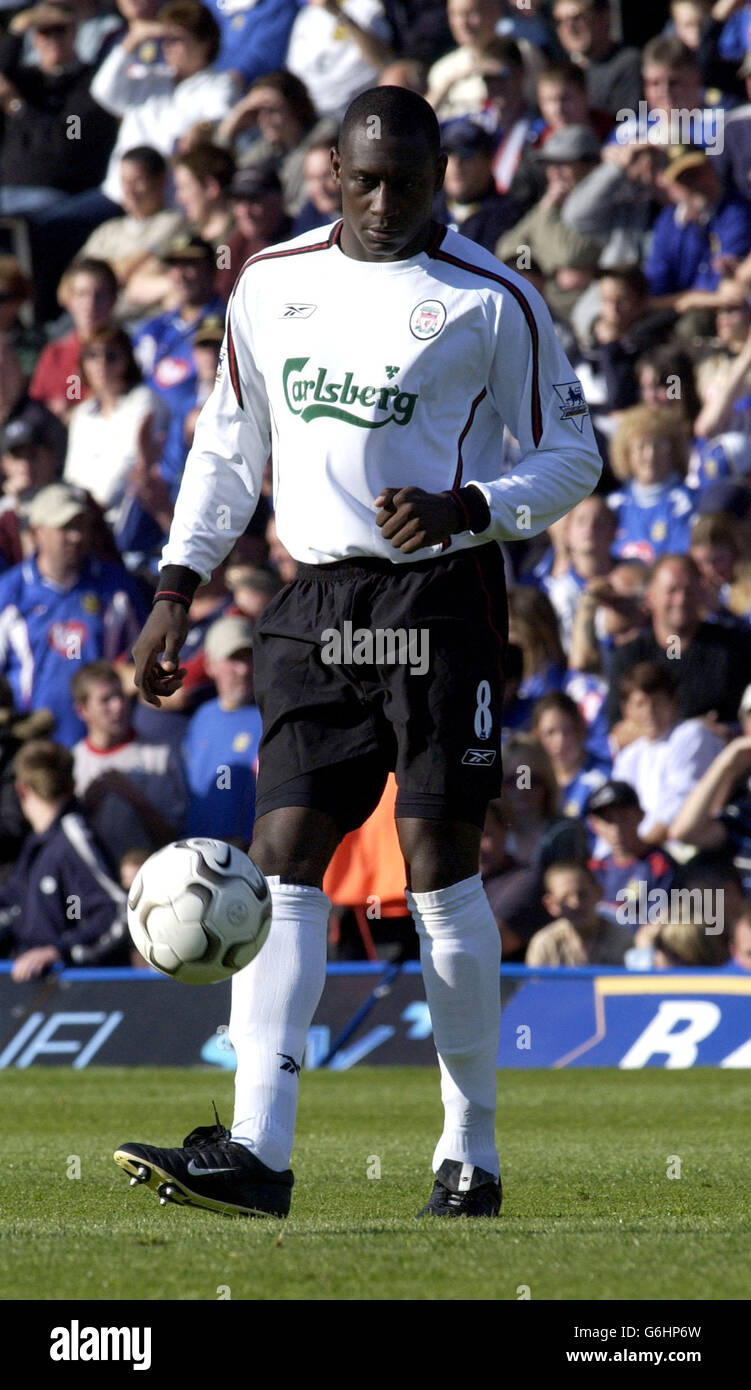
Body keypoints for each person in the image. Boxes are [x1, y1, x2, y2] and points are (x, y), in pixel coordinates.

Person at [118, 85, 601, 1221]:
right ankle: (259, 1152)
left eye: (409, 179)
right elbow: (228, 445)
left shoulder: (495, 300)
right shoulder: (271, 283)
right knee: (285, 853)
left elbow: (572, 455)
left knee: (436, 863)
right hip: (314, 600)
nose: (385, 200)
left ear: (444, 175)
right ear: (330, 171)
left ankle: (469, 1153)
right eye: (364, 177)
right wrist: (175, 585)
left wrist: (469, 504)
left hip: (442, 596)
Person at [0, 482, 147, 745]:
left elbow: (146, 656)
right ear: (37, 532)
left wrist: (129, 676)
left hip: (106, 745)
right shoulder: (10, 593)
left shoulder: (116, 586)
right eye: (65, 527)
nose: (76, 536)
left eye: (80, 526)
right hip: (32, 745)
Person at [0, 739, 128, 978]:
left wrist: (60, 951)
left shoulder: (73, 839)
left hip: (83, 994)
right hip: (39, 992)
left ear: (22, 788)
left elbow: (117, 911)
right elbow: (12, 902)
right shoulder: (36, 844)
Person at [605, 553, 751, 729]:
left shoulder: (732, 648)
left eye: (688, 591)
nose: (681, 600)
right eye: (672, 590)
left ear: (701, 593)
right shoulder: (630, 657)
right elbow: (617, 733)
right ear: (651, 597)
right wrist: (688, 730)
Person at [71, 659, 186, 864]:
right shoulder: (73, 763)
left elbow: (175, 839)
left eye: (120, 695)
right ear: (82, 711)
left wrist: (135, 799)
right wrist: (85, 807)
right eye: (106, 700)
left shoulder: (158, 756)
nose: (118, 706)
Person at [612, 661, 725, 844]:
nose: (649, 712)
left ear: (673, 701)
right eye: (640, 704)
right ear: (626, 710)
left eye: (657, 702)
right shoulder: (628, 756)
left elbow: (680, 803)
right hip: (644, 852)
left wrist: (644, 848)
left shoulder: (692, 734)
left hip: (687, 850)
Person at [181, 614, 262, 838]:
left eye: (248, 657)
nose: (244, 670)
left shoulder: (272, 717)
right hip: (200, 849)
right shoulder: (201, 717)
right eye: (233, 659)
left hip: (250, 855)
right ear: (210, 665)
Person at [28, 257, 119, 420]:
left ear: (113, 299)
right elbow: (39, 406)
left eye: (100, 295)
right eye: (82, 295)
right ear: (67, 300)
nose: (90, 304)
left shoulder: (129, 349)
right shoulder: (55, 354)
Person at [285, 0, 394, 120]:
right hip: (325, 120)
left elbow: (385, 61)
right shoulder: (305, 18)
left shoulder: (368, 4)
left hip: (379, 103)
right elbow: (296, 75)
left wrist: (339, 14)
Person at [586, 779, 675, 922]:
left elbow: (657, 924)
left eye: (624, 818)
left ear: (640, 816)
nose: (616, 830)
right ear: (594, 824)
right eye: (608, 820)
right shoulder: (596, 868)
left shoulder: (659, 865)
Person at [525, 859, 630, 965]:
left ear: (599, 893)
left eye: (582, 894)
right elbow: (535, 980)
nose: (576, 904)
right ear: (551, 904)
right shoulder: (545, 944)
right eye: (565, 898)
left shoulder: (622, 942)